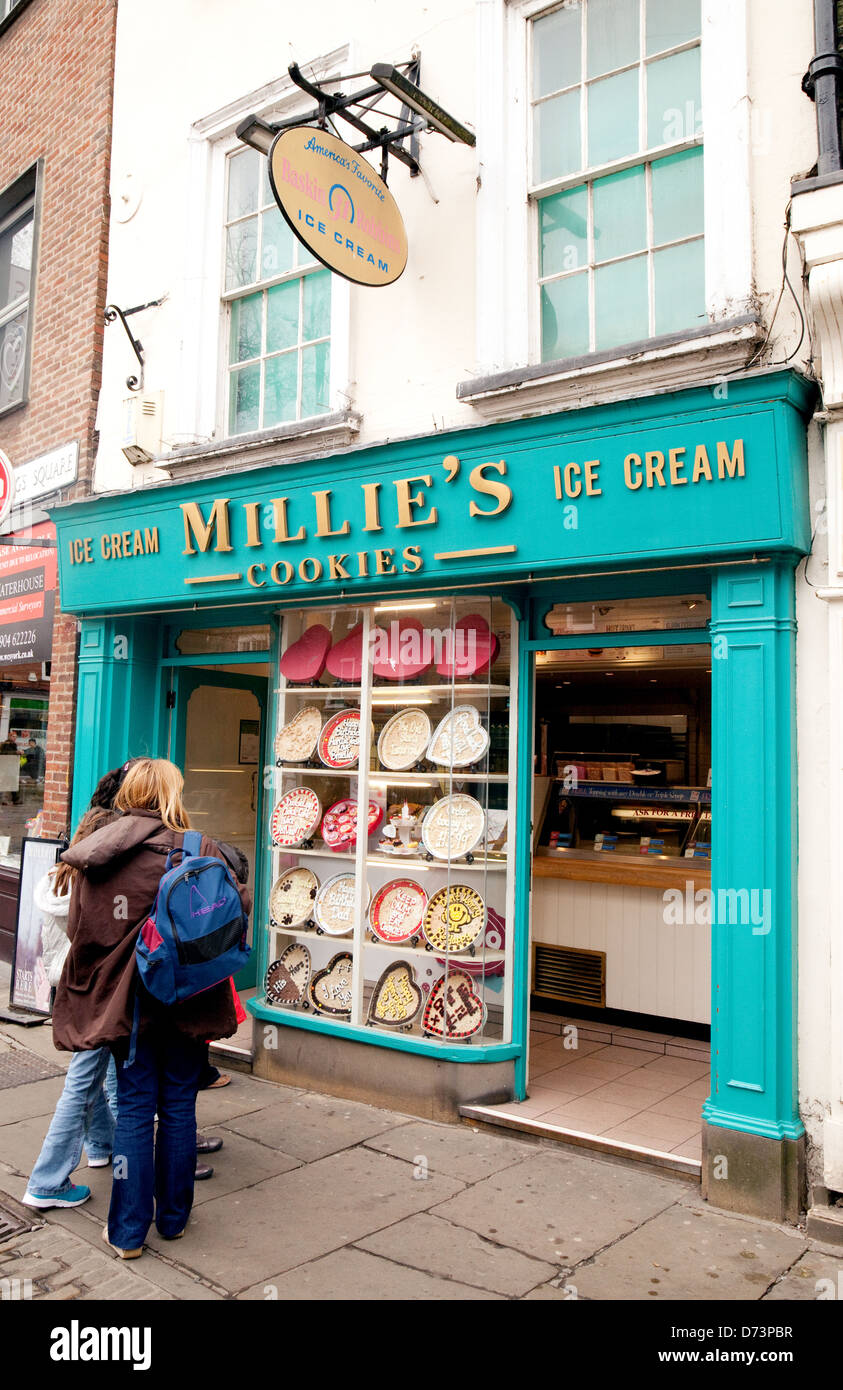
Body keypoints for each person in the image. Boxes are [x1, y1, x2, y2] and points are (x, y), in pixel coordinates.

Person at [52, 758, 250, 1258]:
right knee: (180, 1105)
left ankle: (126, 1234)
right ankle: (174, 1220)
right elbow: (236, 911)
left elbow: (81, 932)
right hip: (189, 998)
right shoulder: (198, 847)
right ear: (170, 795)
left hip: (129, 1005)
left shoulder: (96, 854)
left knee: (137, 1108)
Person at [22, 805, 119, 1210]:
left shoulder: (57, 879)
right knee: (82, 1082)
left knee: (93, 1072)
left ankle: (101, 1145)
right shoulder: (96, 886)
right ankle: (47, 1181)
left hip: (64, 989)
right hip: (94, 993)